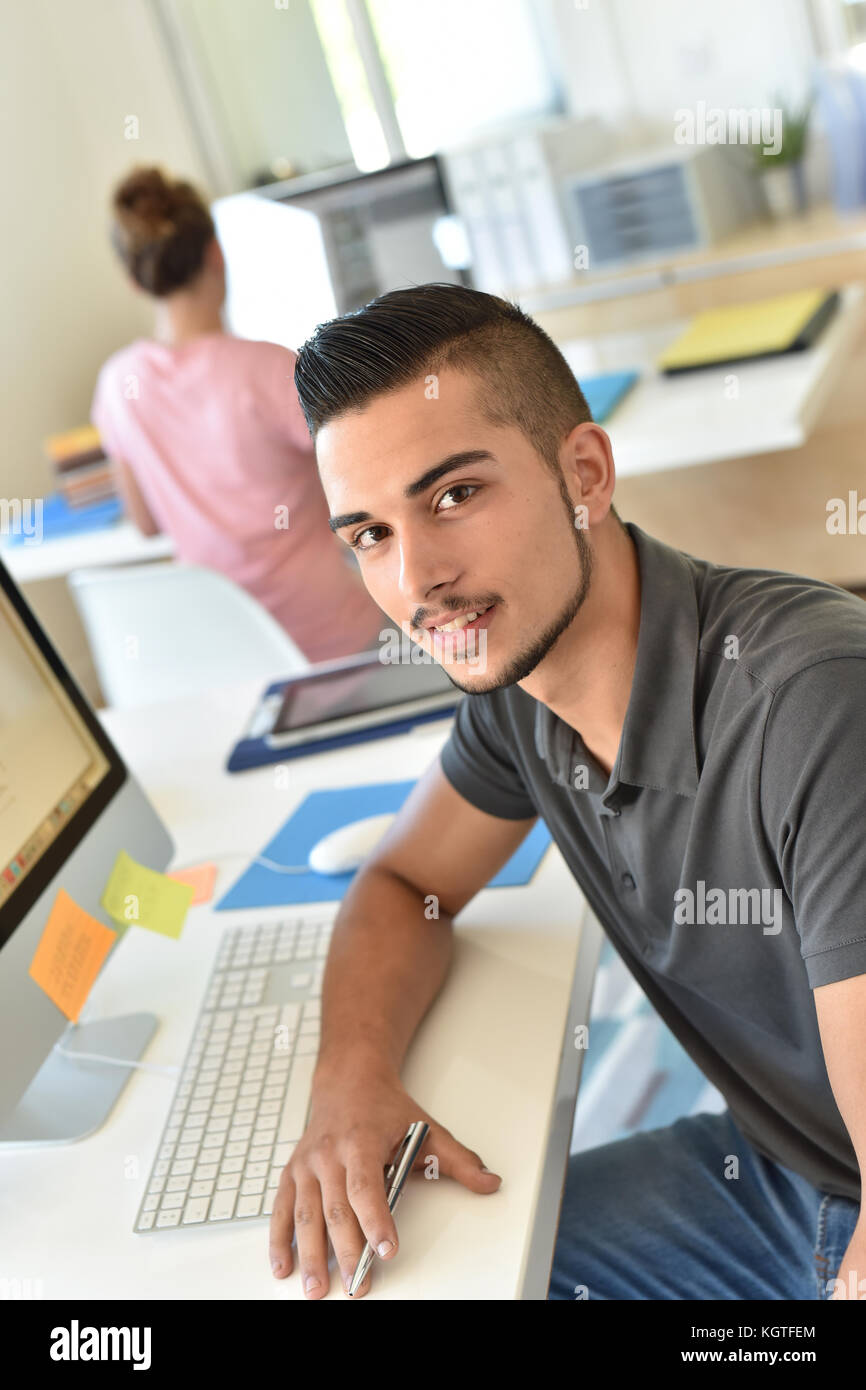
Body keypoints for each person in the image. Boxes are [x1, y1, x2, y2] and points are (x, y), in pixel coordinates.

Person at [266, 281, 865, 1301]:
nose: (417, 579)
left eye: (452, 494)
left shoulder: (810, 706)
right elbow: (406, 879)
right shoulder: (516, 692)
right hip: (784, 1168)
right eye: (368, 532)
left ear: (582, 472)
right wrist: (348, 1084)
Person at [90, 165, 385, 665]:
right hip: (330, 640)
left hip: (227, 654)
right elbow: (366, 472)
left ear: (135, 282)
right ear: (216, 254)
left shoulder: (118, 385)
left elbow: (144, 523)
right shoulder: (270, 369)